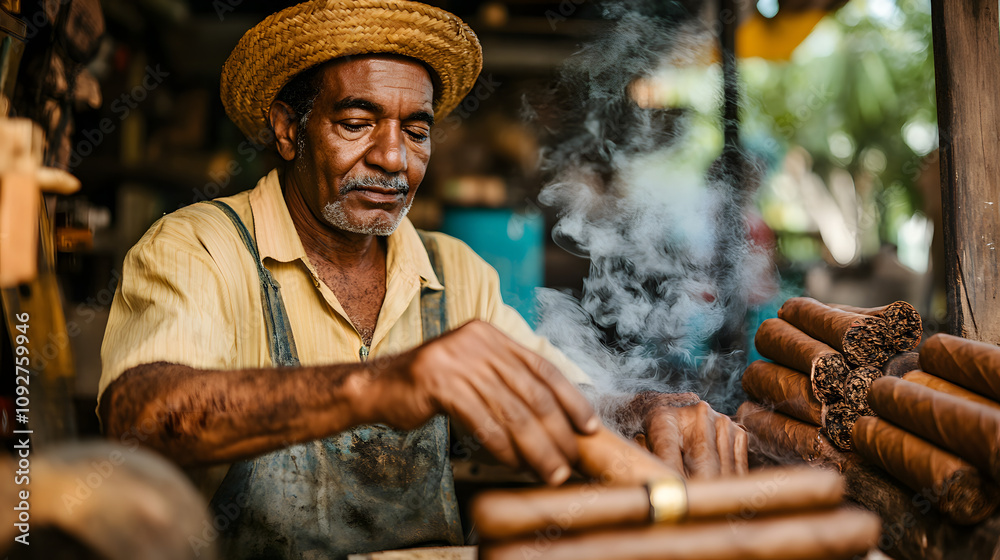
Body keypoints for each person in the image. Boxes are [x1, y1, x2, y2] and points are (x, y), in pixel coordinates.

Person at [97, 1, 748, 558]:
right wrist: (378, 384)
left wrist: (638, 414)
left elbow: (555, 397)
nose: (392, 158)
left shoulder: (453, 270)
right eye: (356, 123)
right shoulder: (198, 247)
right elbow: (140, 418)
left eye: (416, 130)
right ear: (287, 129)